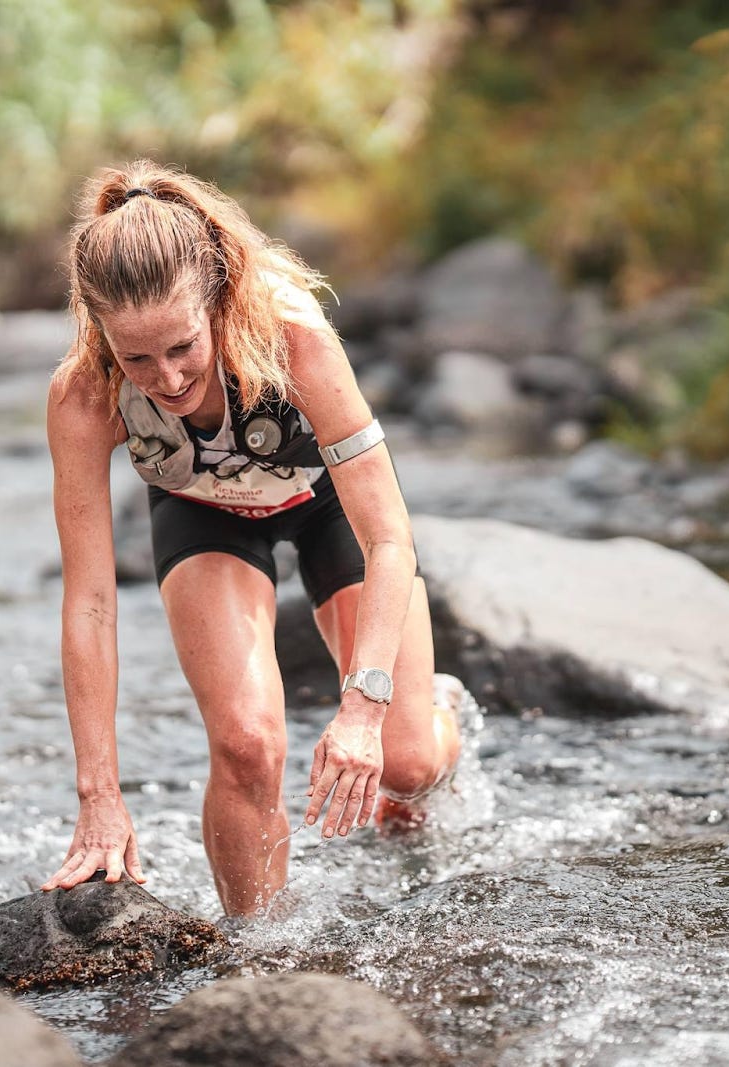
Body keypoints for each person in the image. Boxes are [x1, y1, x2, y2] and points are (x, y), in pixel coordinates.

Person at [38, 160, 461, 916]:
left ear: (214, 299)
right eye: (137, 357)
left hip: (325, 501)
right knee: (246, 745)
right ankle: (255, 953)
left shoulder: (293, 339)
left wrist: (363, 711)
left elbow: (391, 537)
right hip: (203, 512)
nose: (165, 379)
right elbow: (92, 604)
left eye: (182, 347)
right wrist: (99, 797)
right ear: (98, 330)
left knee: (406, 763)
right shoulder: (82, 394)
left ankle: (440, 713)